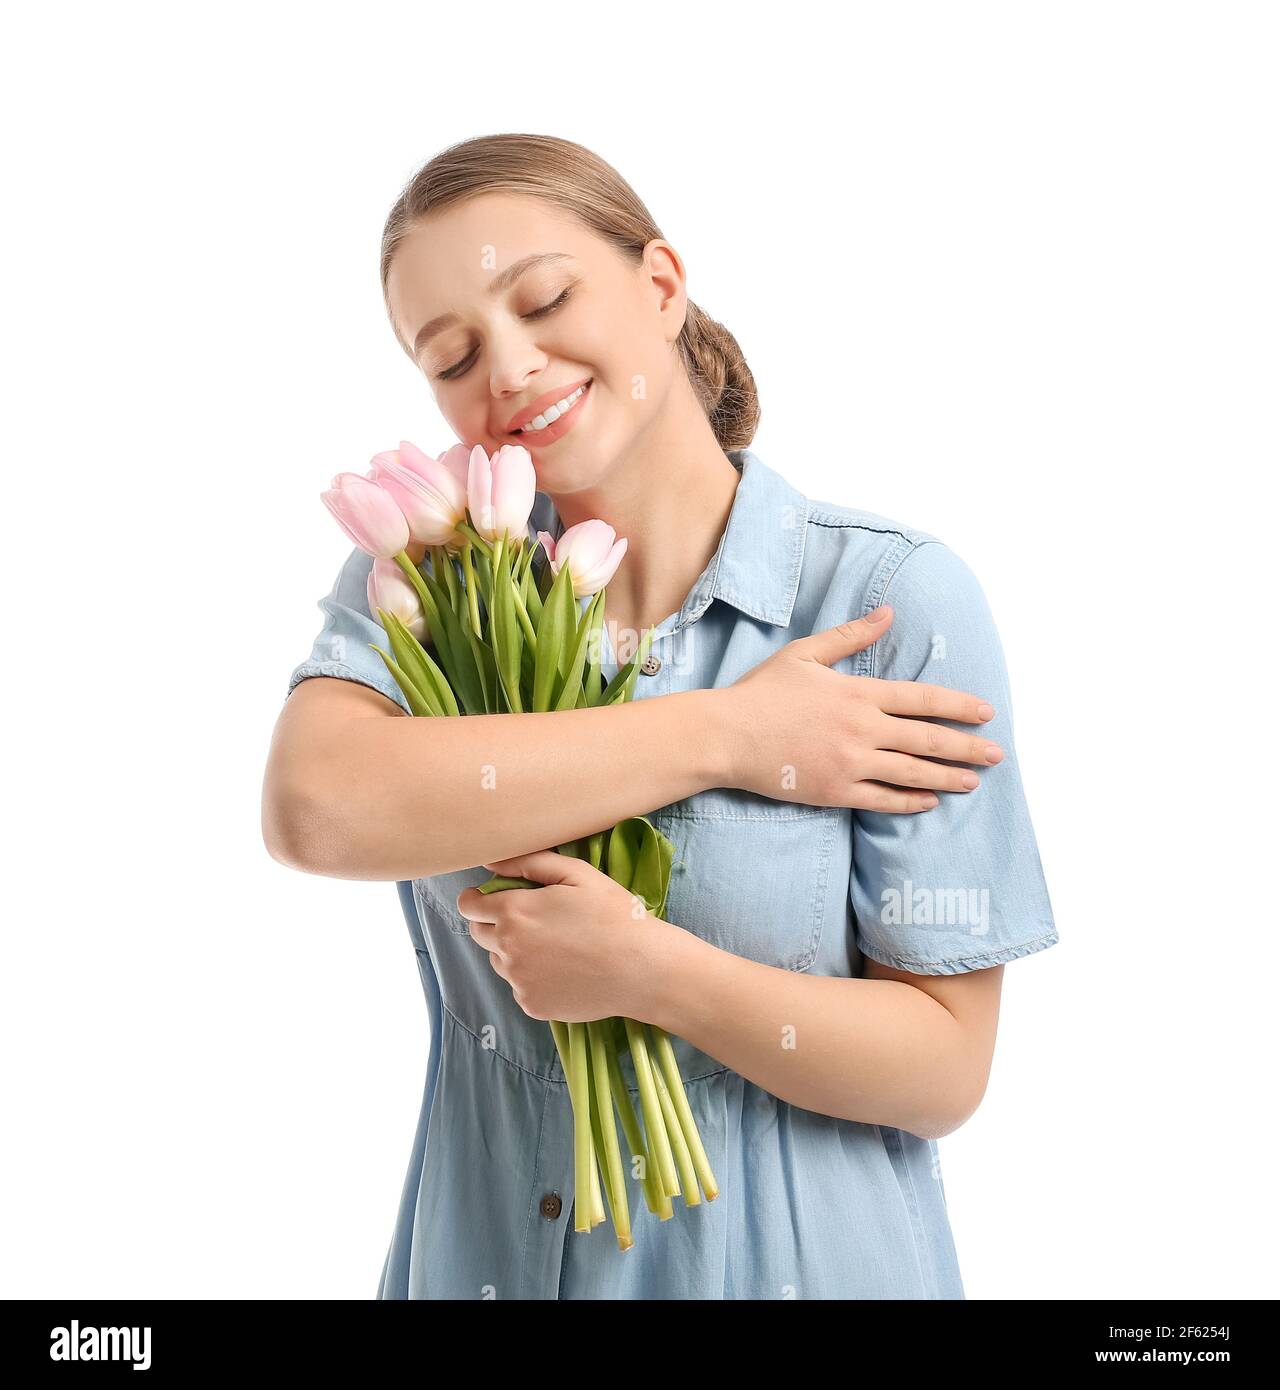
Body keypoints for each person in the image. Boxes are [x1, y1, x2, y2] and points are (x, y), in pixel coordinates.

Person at [261, 133, 1057, 1300]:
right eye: (452, 354)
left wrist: (651, 973)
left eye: (543, 298)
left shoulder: (882, 601)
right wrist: (728, 738)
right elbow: (315, 808)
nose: (513, 366)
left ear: (661, 283)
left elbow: (941, 1066)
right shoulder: (435, 581)